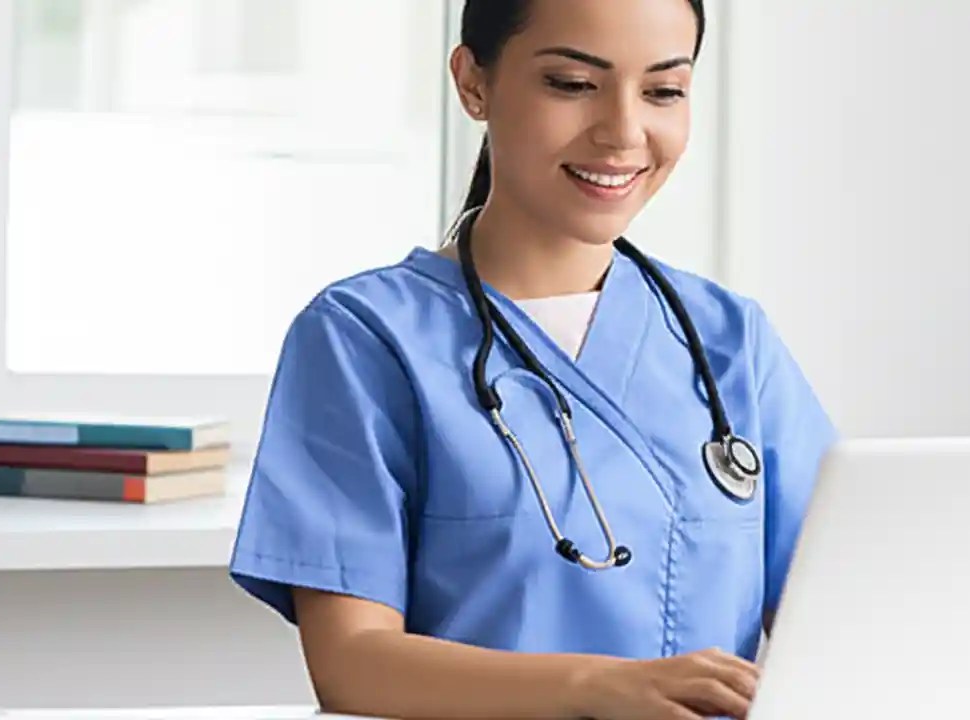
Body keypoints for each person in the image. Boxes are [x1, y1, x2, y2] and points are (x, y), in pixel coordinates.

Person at [228, 0, 836, 718]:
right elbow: (351, 664)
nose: (623, 131)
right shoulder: (365, 338)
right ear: (473, 83)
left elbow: (850, 616)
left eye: (664, 90)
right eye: (573, 84)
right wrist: (597, 689)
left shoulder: (731, 341)